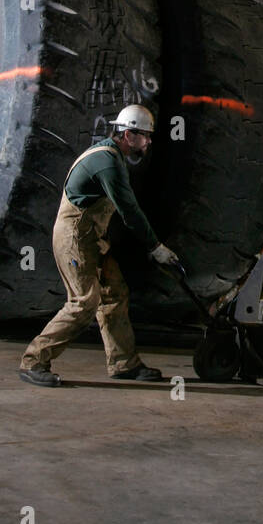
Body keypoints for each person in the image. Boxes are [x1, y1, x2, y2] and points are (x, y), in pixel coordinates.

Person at [18, 105, 179, 387]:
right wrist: (156, 247)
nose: (149, 142)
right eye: (145, 136)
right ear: (128, 134)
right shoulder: (107, 162)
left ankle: (123, 363)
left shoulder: (113, 156)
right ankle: (34, 361)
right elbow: (129, 211)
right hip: (75, 238)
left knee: (114, 293)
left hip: (92, 237)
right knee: (84, 302)